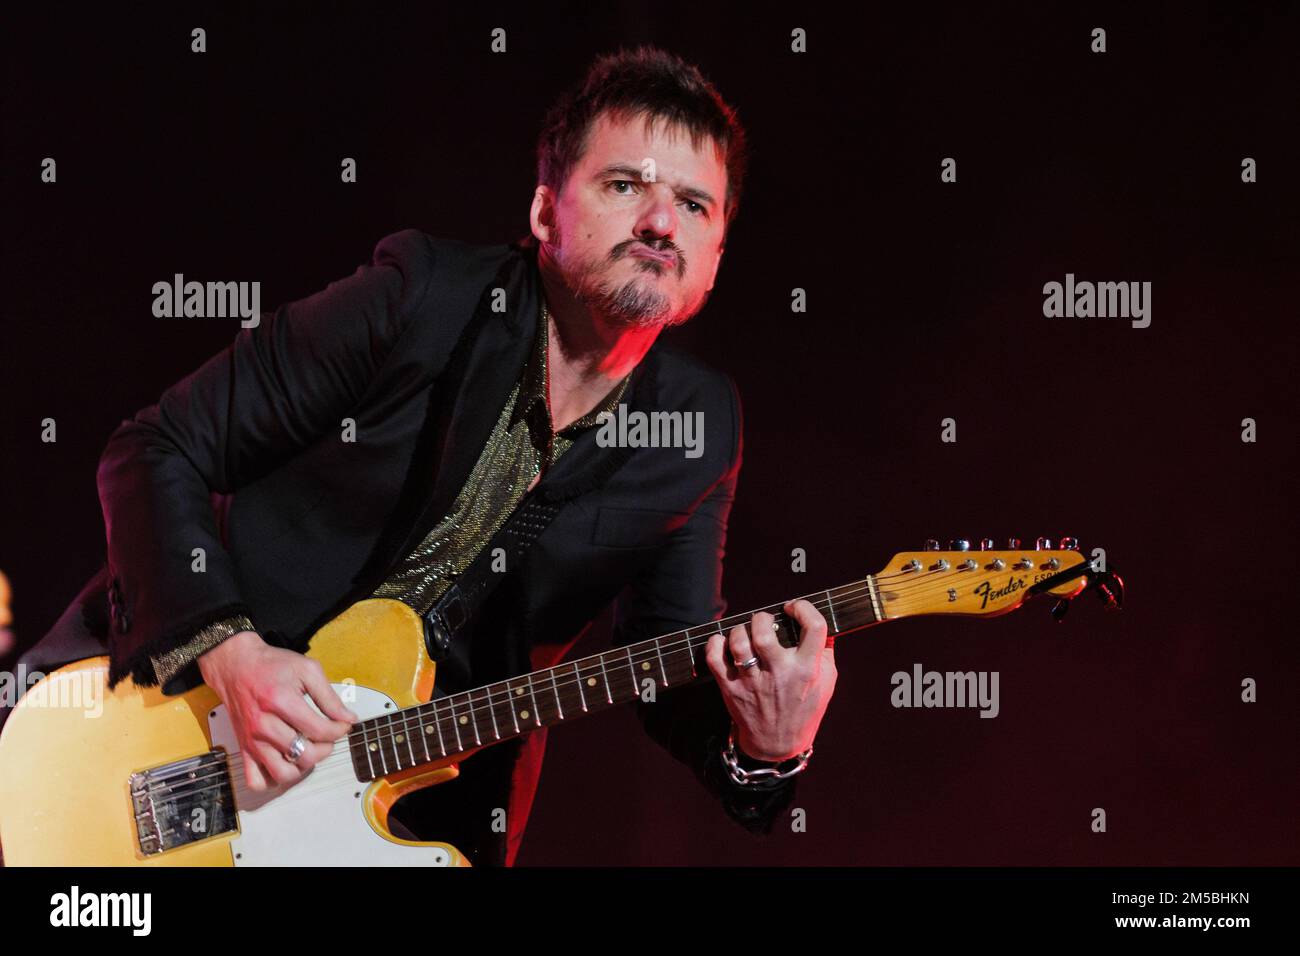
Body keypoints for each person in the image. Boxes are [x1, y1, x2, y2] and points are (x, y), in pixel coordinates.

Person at [14, 45, 838, 866]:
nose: (661, 222)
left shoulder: (699, 425)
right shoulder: (422, 297)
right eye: (625, 186)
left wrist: (771, 750)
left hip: (400, 822)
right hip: (162, 734)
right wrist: (231, 653)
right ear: (547, 213)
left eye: (695, 204)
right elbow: (152, 450)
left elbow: (669, 671)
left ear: (718, 258)